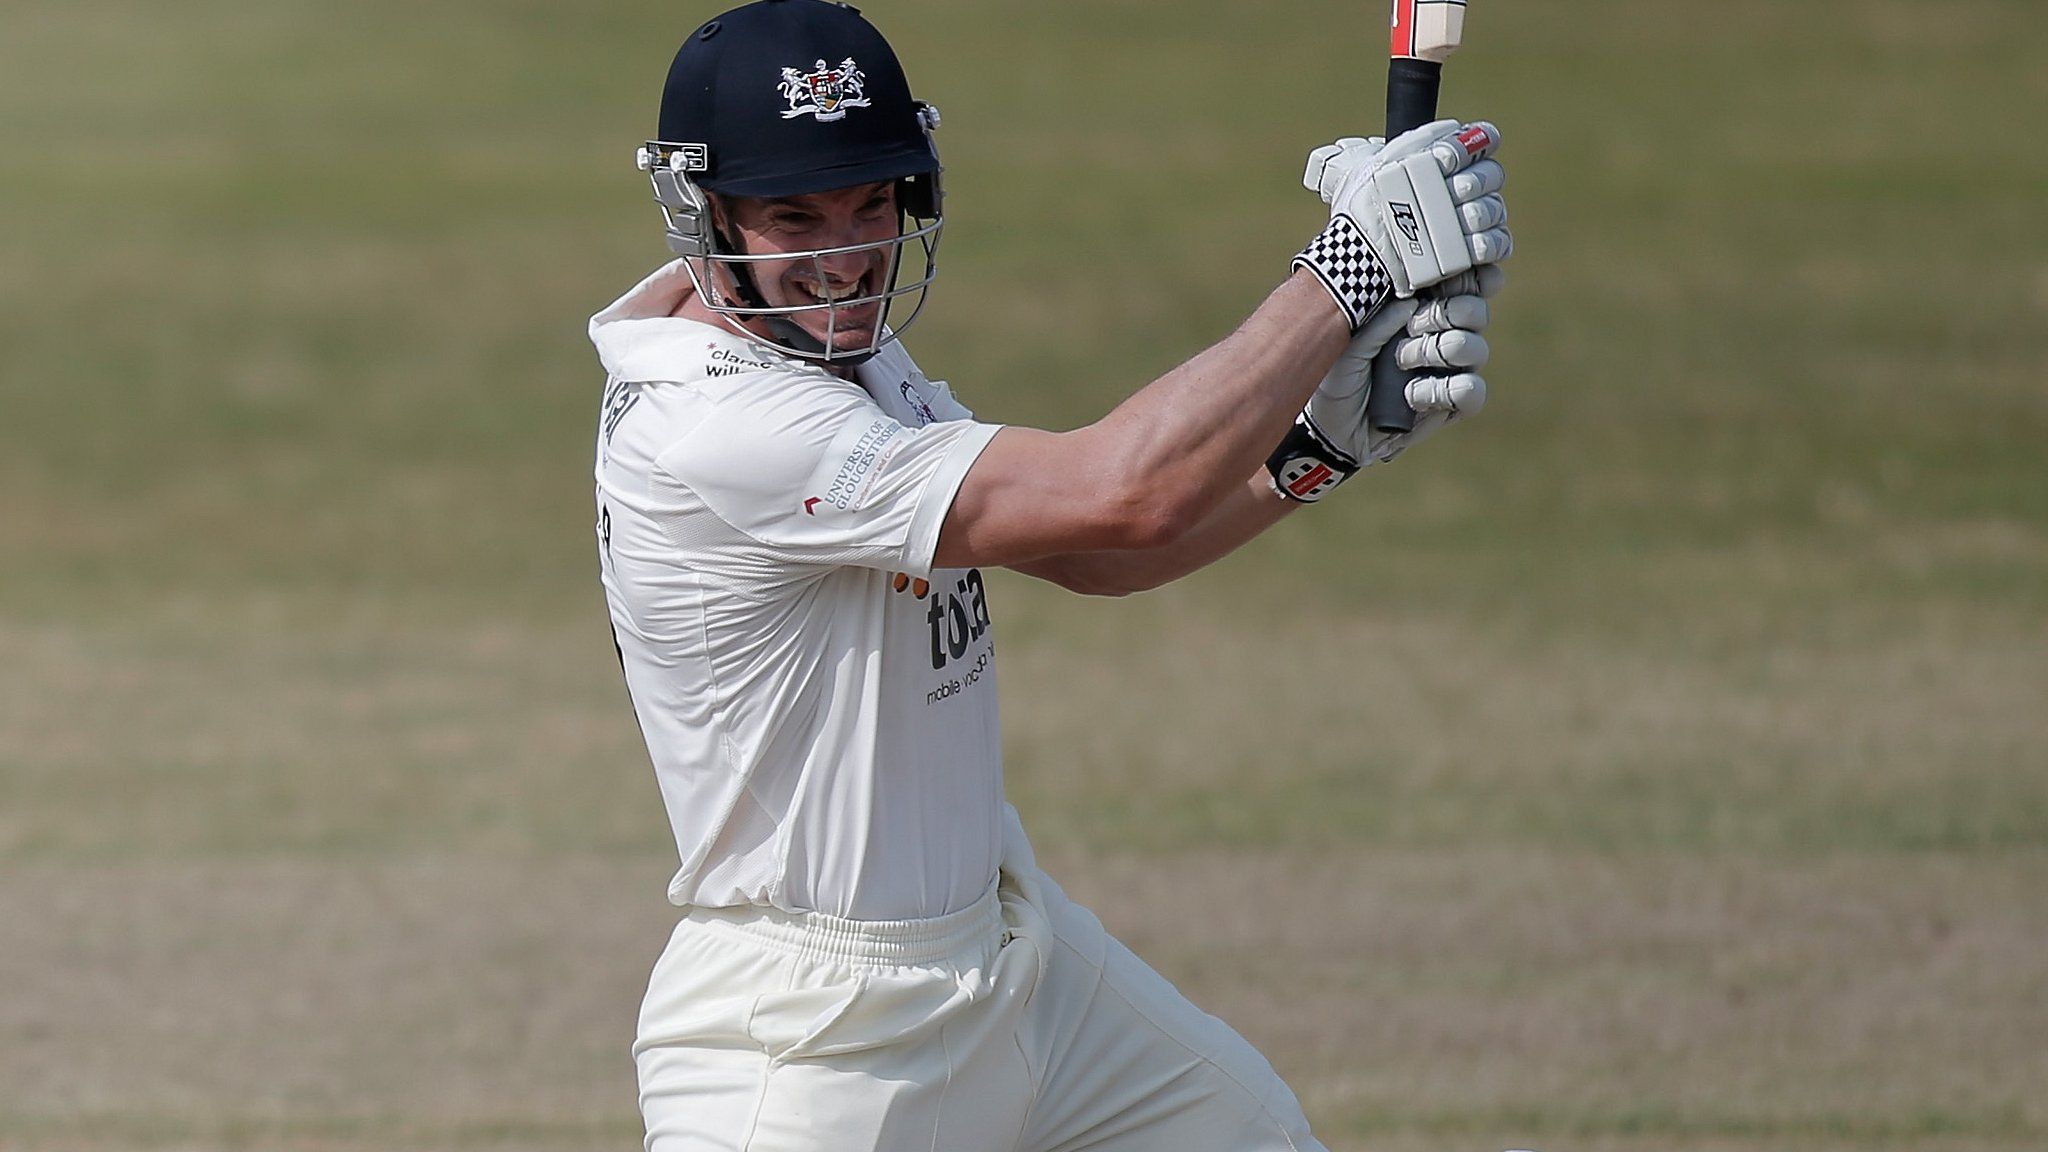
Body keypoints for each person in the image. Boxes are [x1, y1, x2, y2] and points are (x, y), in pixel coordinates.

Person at [589, 2, 1511, 1149]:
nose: (844, 255)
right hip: (811, 1040)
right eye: (794, 217)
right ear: (703, 212)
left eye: (870, 203)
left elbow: (1088, 551)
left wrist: (1310, 453)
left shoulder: (837, 360)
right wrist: (1347, 269)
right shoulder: (719, 424)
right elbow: (1122, 492)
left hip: (1016, 962)